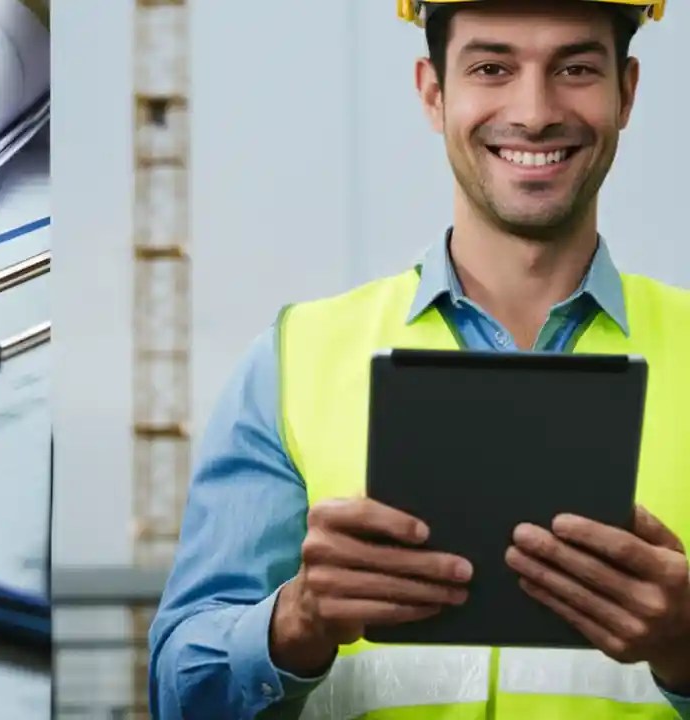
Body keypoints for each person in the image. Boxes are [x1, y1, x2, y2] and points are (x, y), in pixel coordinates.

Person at [147, 0, 690, 718]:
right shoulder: (293, 360)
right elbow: (180, 695)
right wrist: (298, 620)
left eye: (575, 69)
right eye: (492, 67)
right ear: (433, 92)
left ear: (627, 92)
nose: (533, 111)